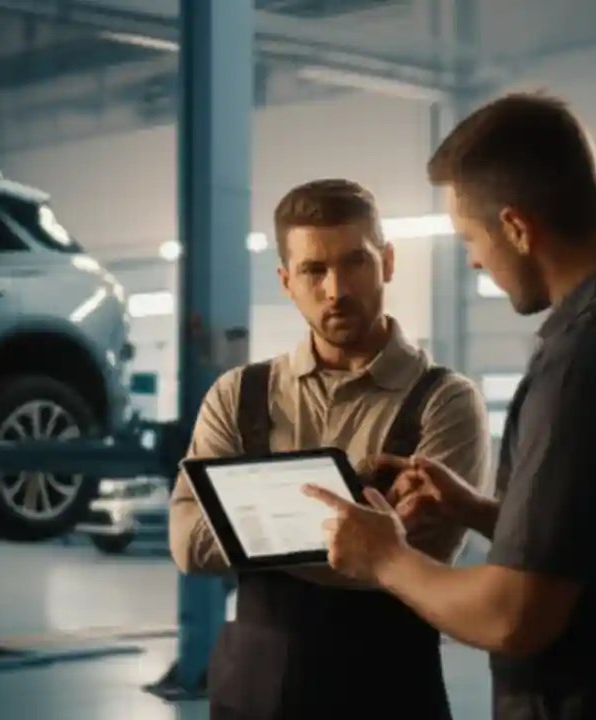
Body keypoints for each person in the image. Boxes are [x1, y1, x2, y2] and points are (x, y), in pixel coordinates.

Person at [304, 92, 596, 720]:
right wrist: (481, 511)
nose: (472, 258)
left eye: (470, 236)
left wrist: (385, 556)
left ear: (517, 227)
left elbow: (512, 616)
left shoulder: (589, 361)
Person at [168, 178, 489, 720]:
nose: (336, 288)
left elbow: (428, 553)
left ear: (387, 262)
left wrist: (251, 515)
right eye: (314, 270)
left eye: (355, 262)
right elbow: (188, 544)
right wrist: (359, 530)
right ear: (287, 281)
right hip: (251, 696)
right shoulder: (237, 395)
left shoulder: (445, 401)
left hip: (386, 693)